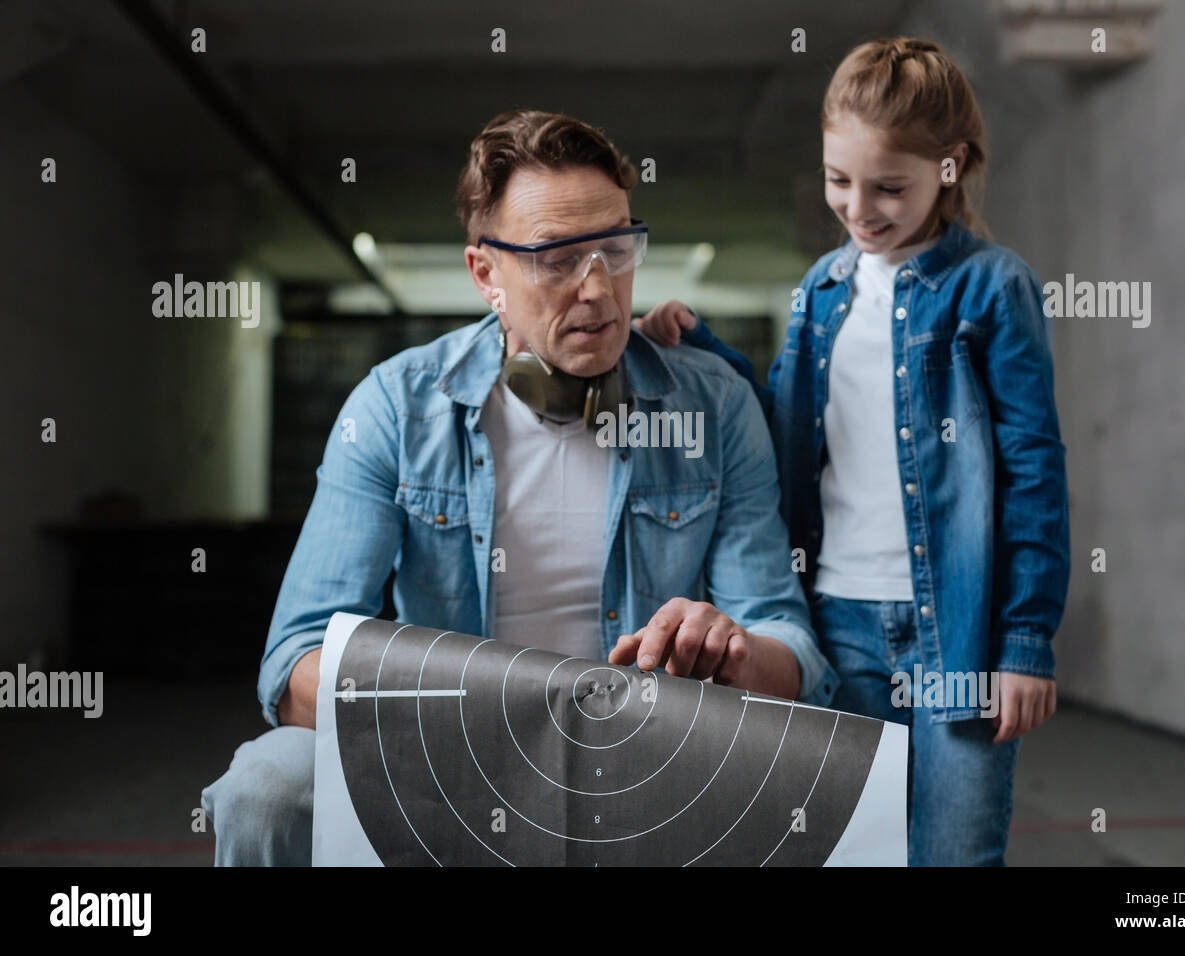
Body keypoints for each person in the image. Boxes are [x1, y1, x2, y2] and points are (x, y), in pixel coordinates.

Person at [200, 109, 838, 866]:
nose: (598, 290)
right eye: (556, 260)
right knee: (268, 787)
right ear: (485, 274)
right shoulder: (395, 407)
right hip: (448, 769)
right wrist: (459, 712)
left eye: (614, 248)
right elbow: (295, 664)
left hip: (647, 767)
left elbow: (794, 652)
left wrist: (734, 651)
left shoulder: (715, 405)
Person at [635, 37, 1070, 865]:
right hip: (837, 625)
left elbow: (1033, 470)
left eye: (889, 187)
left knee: (954, 854)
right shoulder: (820, 293)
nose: (859, 207)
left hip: (961, 636)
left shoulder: (994, 287)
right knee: (849, 853)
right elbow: (789, 433)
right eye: (840, 180)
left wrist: (1024, 642)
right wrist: (708, 351)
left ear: (951, 169)